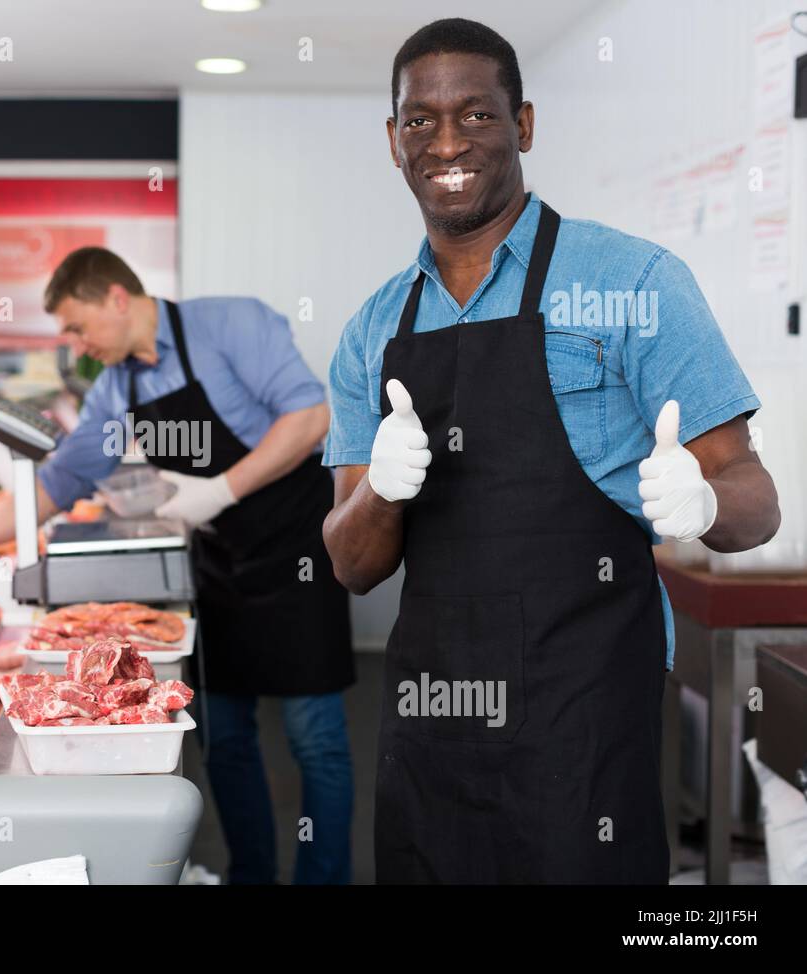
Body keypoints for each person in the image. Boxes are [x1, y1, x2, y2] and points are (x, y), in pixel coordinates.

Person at [322, 19, 780, 884]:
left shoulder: (634, 282)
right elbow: (350, 564)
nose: (448, 142)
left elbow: (756, 500)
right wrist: (381, 490)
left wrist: (708, 505)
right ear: (393, 140)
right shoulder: (373, 331)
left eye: (477, 116)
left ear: (522, 125)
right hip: (433, 716)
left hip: (585, 714)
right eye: (421, 121)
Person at [0, 247, 357, 884]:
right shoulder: (119, 384)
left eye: (77, 325)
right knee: (224, 741)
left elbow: (310, 417)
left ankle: (324, 877)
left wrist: (217, 490)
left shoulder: (231, 324)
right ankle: (252, 874)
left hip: (296, 550)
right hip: (219, 562)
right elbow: (60, 480)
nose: (75, 342)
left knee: (316, 741)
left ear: (117, 297)